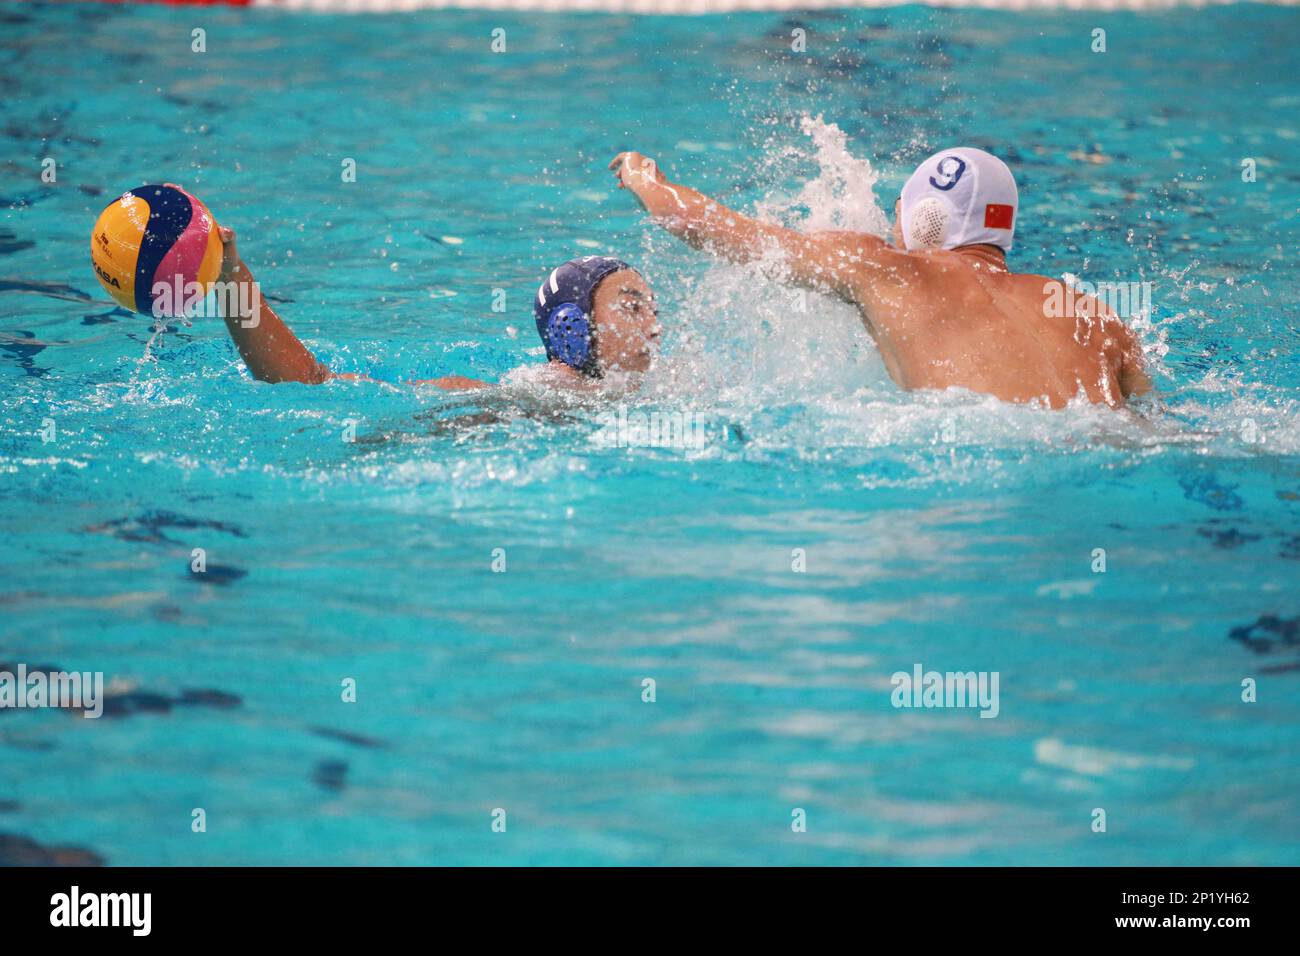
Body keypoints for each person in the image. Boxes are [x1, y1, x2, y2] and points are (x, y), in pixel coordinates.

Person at [609, 146, 1152, 409]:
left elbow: (727, 234)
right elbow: (1147, 410)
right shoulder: (1086, 308)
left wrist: (647, 180)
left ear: (924, 217)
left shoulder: (886, 268)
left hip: (996, 454)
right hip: (1107, 446)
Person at [210, 226, 660, 393]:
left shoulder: (660, 390)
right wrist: (233, 277)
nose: (655, 327)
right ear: (572, 329)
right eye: (632, 308)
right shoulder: (518, 398)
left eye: (654, 310)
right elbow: (307, 381)